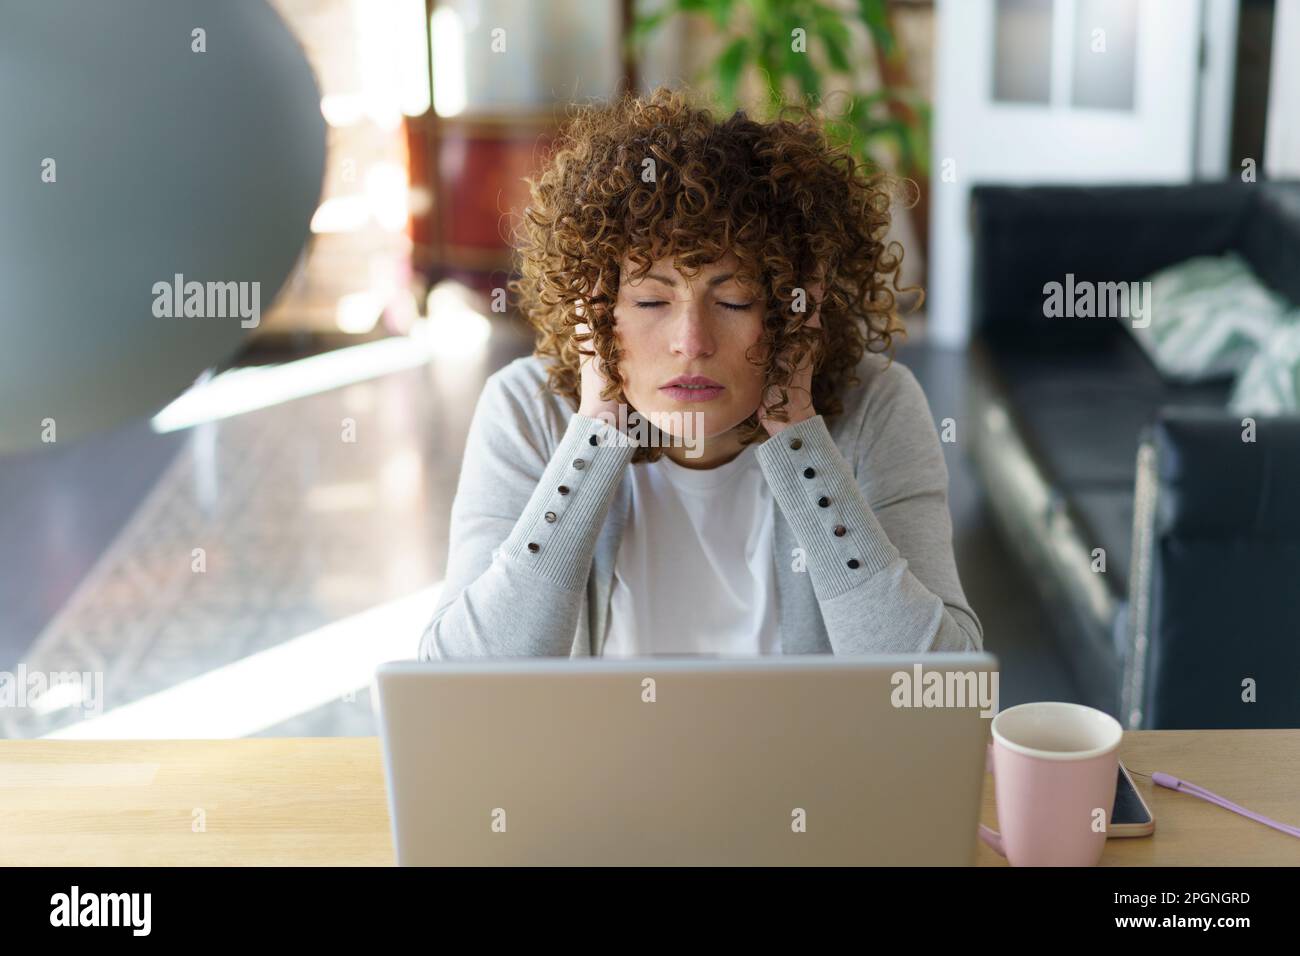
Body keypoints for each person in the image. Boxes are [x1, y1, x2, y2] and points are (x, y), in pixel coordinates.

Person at [419, 87, 983, 659]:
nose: (691, 343)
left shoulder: (876, 407)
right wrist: (596, 432)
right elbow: (459, 678)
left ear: (797, 308)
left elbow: (943, 682)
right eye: (649, 302)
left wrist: (797, 435)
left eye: (735, 301)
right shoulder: (526, 408)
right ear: (594, 308)